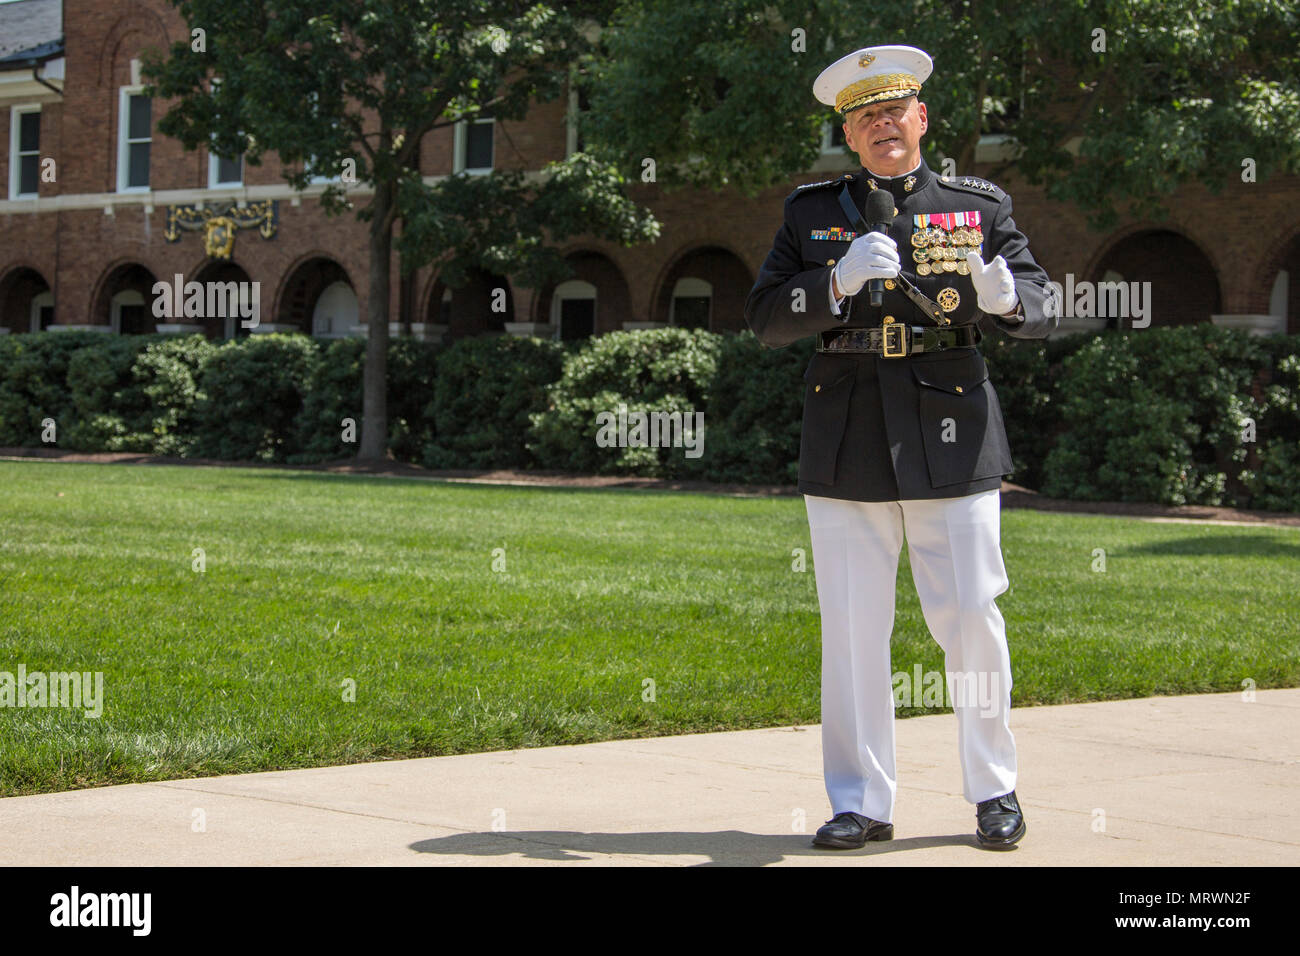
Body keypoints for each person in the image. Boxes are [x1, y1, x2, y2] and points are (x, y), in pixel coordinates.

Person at [744, 44, 1057, 850]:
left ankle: (994, 790)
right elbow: (767, 319)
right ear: (848, 134)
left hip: (951, 434)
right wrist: (834, 283)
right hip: (846, 436)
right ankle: (860, 802)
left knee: (973, 619)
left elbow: (1044, 308)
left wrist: (1004, 296)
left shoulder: (976, 206)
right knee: (851, 629)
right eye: (864, 116)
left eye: (895, 110)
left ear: (922, 119)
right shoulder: (811, 214)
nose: (883, 125)